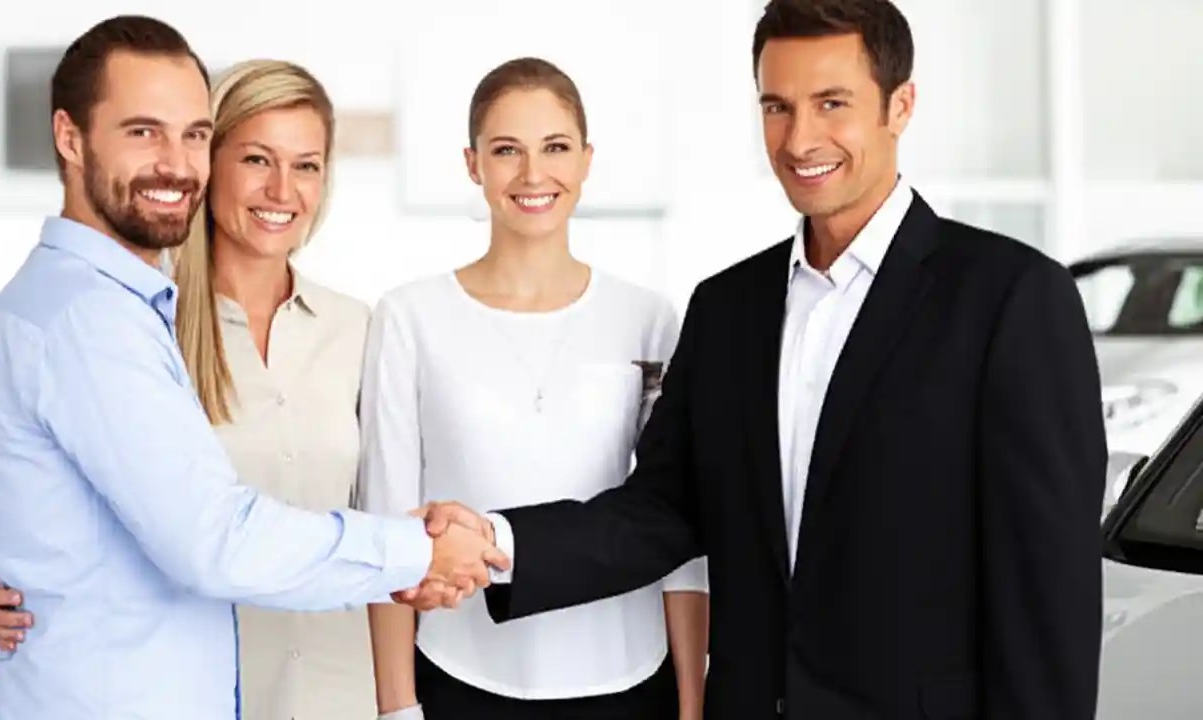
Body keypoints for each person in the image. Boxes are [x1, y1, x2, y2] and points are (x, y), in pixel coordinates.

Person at [409, 1, 1108, 718]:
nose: (799, 138)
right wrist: (499, 540)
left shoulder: (1011, 299)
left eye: (831, 103)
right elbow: (662, 511)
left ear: (901, 105)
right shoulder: (726, 308)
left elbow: (1047, 595)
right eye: (777, 106)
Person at [0, 16, 501, 720]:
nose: (176, 160)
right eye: (143, 131)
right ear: (71, 138)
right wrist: (416, 553)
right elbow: (212, 538)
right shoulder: (106, 323)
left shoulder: (355, 327)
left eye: (191, 134)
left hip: (316, 688)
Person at [359, 57, 709, 720]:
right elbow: (387, 525)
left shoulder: (648, 316)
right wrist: (397, 707)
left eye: (554, 148)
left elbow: (677, 532)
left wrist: (691, 704)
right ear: (473, 164)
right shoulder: (409, 316)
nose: (532, 175)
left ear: (585, 160)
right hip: (460, 678)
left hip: (630, 681)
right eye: (505, 151)